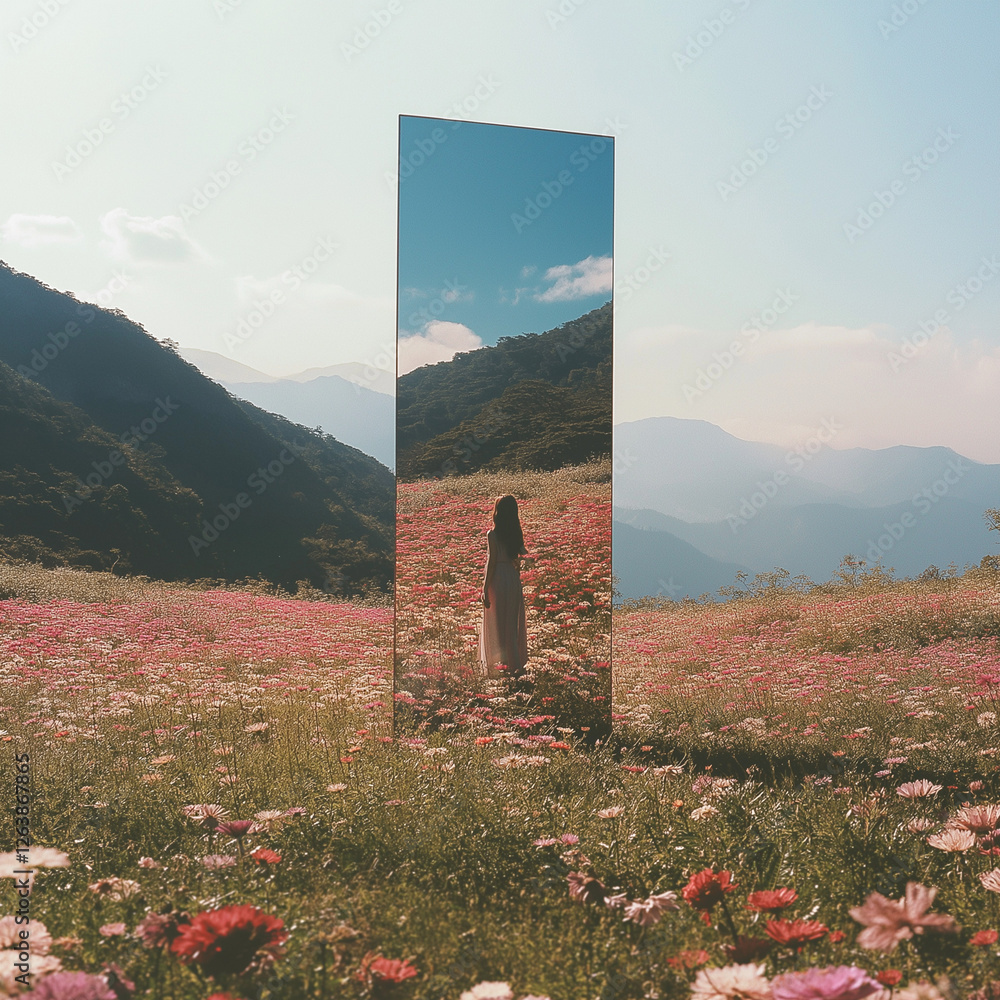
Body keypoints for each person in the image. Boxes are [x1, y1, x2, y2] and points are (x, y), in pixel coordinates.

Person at [479, 494, 528, 678]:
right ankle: (516, 667)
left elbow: (491, 562)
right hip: (513, 580)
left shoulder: (492, 534)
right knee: (511, 625)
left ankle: (500, 669)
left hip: (498, 579)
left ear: (497, 512)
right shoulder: (516, 533)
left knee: (497, 625)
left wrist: (484, 588)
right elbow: (523, 554)